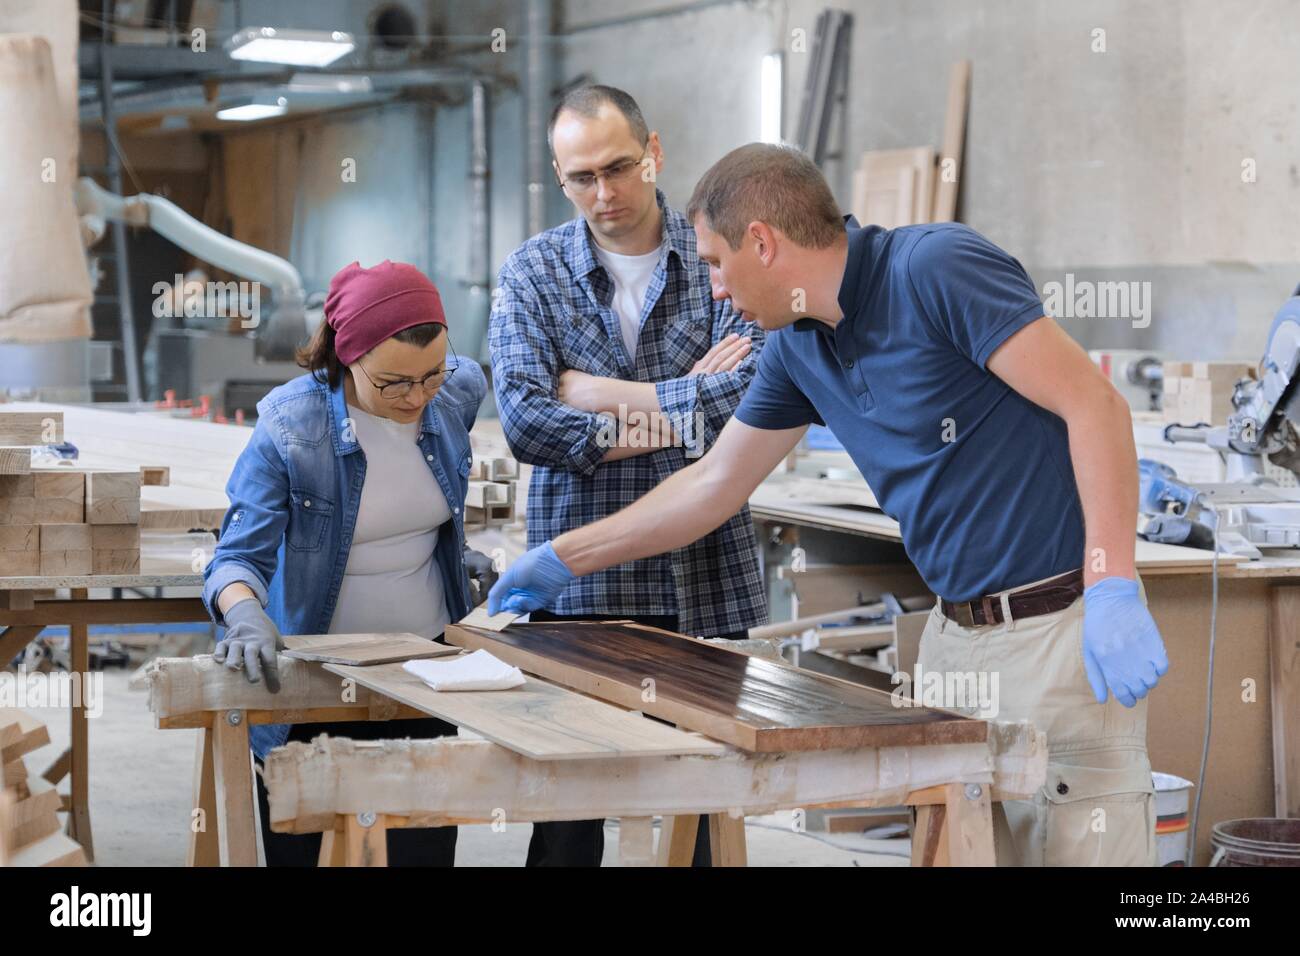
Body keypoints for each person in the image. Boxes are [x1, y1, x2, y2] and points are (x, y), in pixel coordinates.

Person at [490, 143, 1168, 867]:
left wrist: (1112, 583)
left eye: (716, 263)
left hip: (1061, 630)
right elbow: (714, 484)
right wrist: (567, 557)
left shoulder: (935, 268)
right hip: (954, 636)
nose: (715, 289)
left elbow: (1095, 407)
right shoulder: (796, 347)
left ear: (763, 242)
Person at [488, 85, 766, 866]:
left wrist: (598, 394)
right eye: (581, 177)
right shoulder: (534, 272)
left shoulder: (721, 250)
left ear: (654, 153)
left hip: (701, 577)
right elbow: (527, 424)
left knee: (710, 812)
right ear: (558, 175)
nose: (603, 194)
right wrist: (684, 408)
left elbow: (752, 399)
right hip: (575, 584)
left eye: (618, 167)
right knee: (568, 818)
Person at [202, 259, 496, 866]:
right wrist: (246, 617)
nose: (417, 397)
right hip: (314, 683)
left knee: (421, 852)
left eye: (431, 375)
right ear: (347, 357)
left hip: (424, 677)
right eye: (394, 383)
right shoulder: (292, 426)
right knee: (307, 851)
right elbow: (235, 558)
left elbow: (417, 505)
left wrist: (457, 553)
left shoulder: (455, 392)